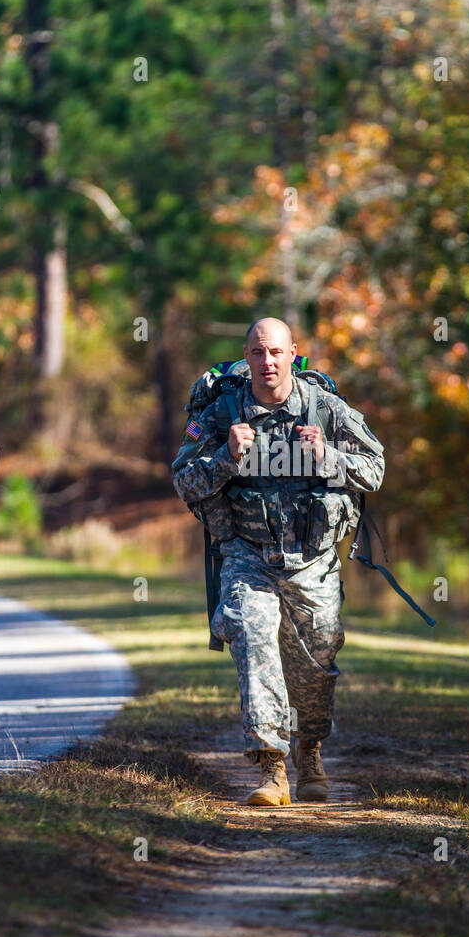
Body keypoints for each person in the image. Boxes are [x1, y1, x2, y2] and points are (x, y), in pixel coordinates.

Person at [171, 317, 385, 806]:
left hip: (313, 561)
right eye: (256, 353)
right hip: (249, 555)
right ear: (245, 358)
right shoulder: (224, 413)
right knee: (252, 635)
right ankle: (271, 767)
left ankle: (309, 751)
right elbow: (184, 481)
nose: (266, 363)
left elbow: (375, 470)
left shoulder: (325, 409)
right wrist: (225, 457)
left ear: (293, 354)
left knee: (316, 662)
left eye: (275, 352)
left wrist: (328, 455)